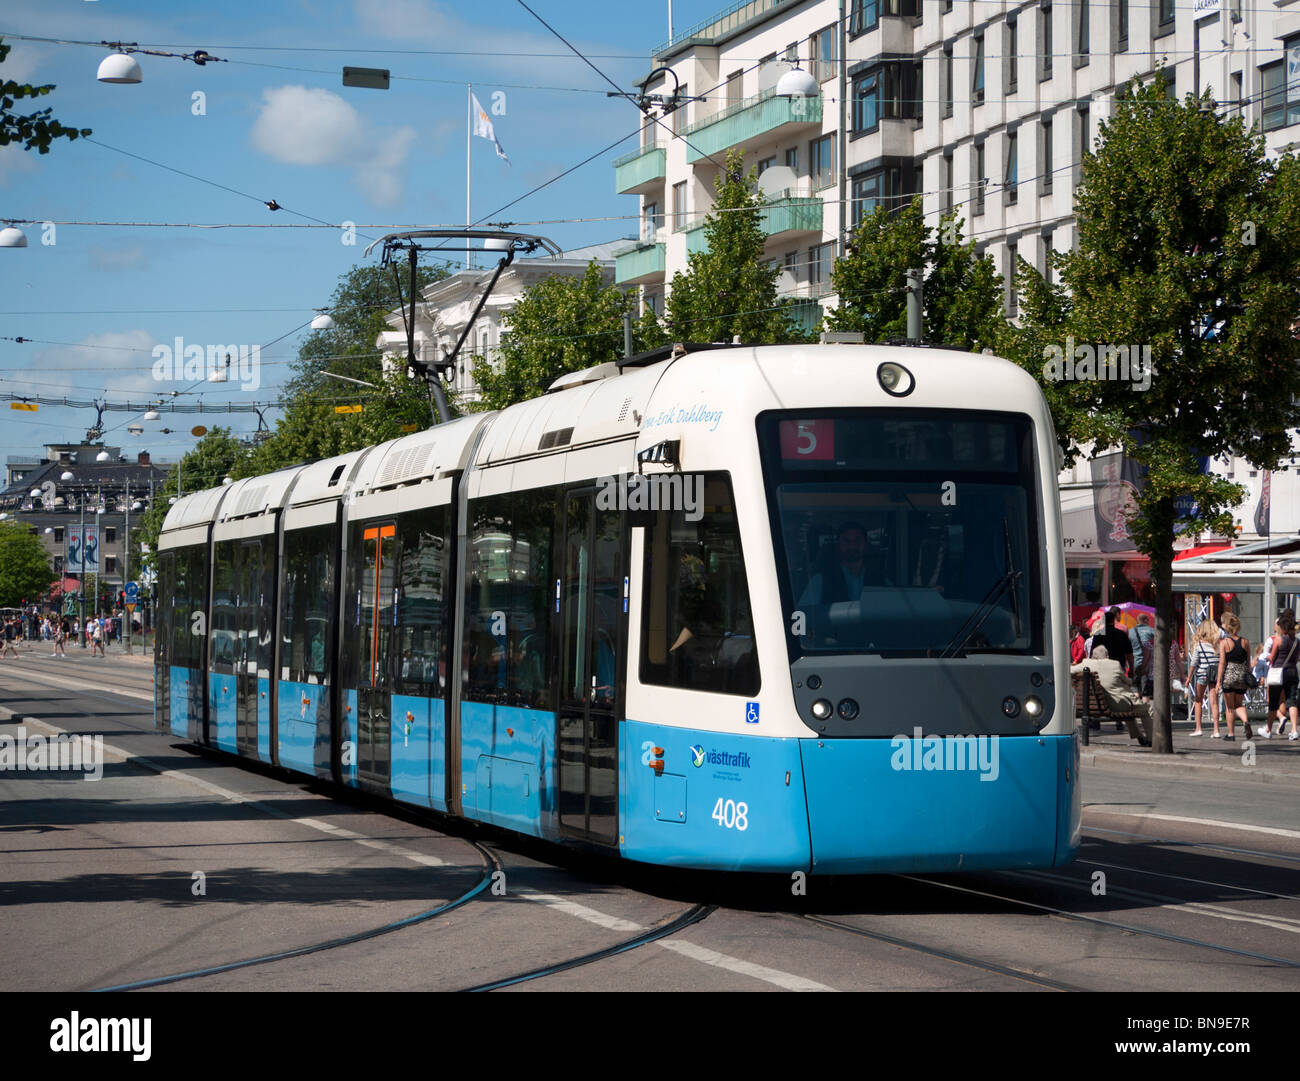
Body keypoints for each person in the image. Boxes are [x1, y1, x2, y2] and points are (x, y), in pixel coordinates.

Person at [1071, 644, 1151, 745]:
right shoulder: (1114, 664)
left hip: (1093, 706)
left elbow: (1069, 670)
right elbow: (1128, 681)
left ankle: (1139, 737)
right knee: (1147, 710)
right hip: (1117, 704)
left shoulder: (1086, 664)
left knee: (1130, 708)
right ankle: (1152, 739)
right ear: (1107, 655)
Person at [1215, 611, 1250, 742]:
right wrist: (1248, 677)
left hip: (1229, 675)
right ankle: (1245, 721)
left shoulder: (1224, 643)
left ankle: (1231, 734)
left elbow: (1222, 663)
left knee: (1230, 707)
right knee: (1239, 704)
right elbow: (1248, 661)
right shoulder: (1245, 642)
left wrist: (1218, 681)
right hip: (1241, 675)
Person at [1268, 611, 1300, 741]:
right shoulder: (1297, 641)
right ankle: (1294, 730)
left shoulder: (1279, 640)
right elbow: (1297, 657)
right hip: (1293, 672)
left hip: (1279, 673)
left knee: (1273, 702)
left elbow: (1272, 657)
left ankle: (1268, 729)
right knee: (1291, 701)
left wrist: (1266, 657)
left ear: (1282, 627)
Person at [1187, 619, 1221, 737]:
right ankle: (1216, 730)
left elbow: (1194, 663)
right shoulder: (1218, 645)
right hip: (1214, 675)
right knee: (1214, 703)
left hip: (1202, 674)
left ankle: (1198, 728)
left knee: (1198, 700)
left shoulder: (1199, 645)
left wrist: (1188, 678)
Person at [1128, 613, 1155, 698]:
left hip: (1134, 662)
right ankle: (1146, 709)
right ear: (1146, 620)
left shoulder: (1130, 631)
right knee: (1145, 688)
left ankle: (1137, 706)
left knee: (1135, 686)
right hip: (1147, 663)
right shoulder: (1152, 631)